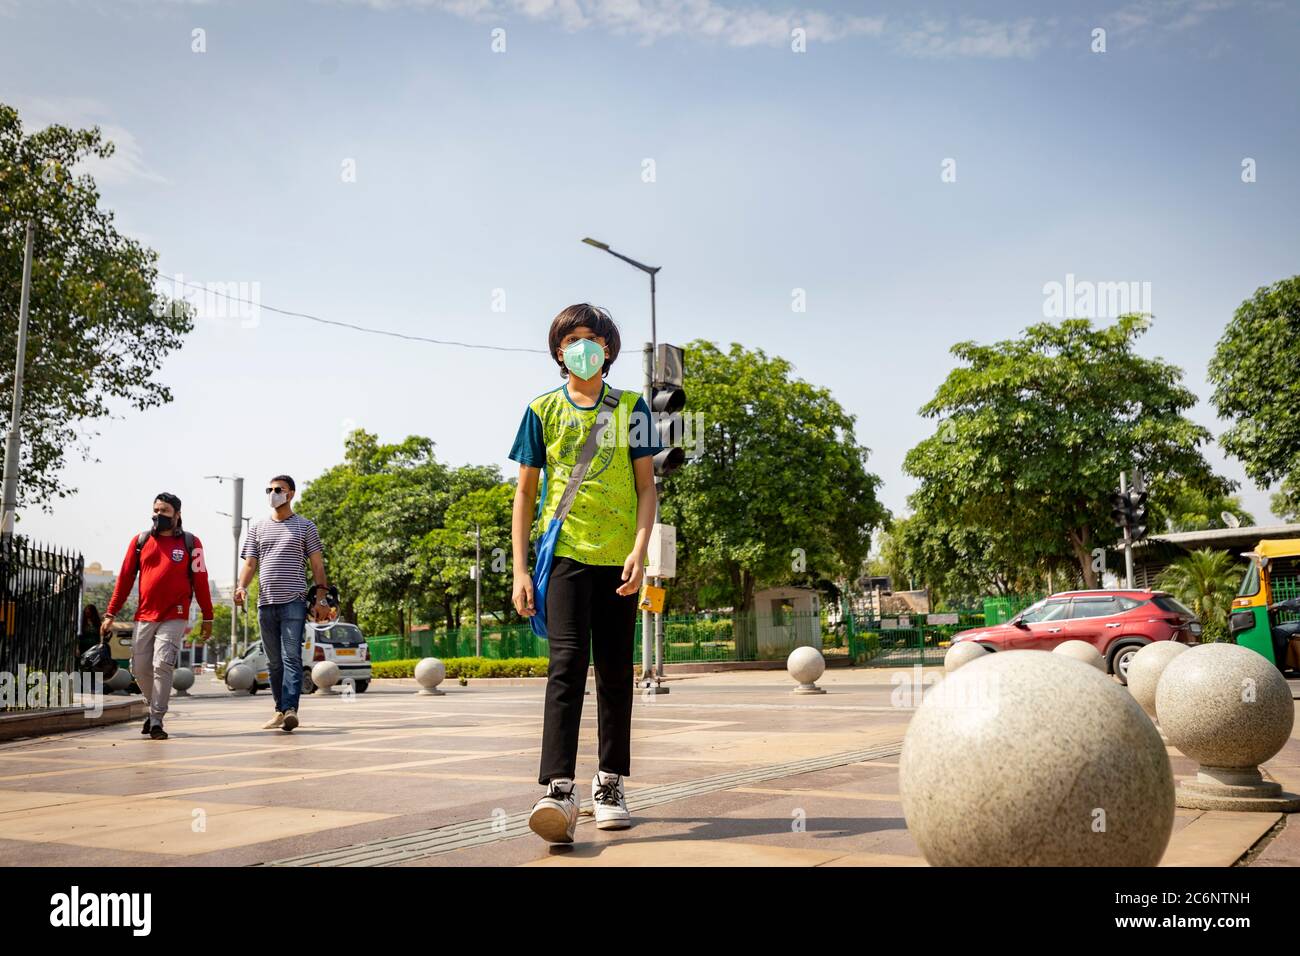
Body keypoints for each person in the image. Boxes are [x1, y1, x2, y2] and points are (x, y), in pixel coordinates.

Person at [510, 303, 660, 843]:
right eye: (573, 338)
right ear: (558, 349)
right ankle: (557, 788)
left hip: (619, 557)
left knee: (617, 671)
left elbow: (647, 487)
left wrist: (641, 550)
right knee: (566, 666)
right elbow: (525, 493)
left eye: (594, 338)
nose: (584, 345)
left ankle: (609, 783)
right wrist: (520, 570)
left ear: (610, 349)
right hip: (567, 554)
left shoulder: (633, 409)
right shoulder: (540, 410)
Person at [102, 493, 213, 740]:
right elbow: (125, 579)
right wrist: (111, 612)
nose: (158, 515)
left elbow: (201, 580)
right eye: (156, 510)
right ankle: (153, 709)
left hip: (176, 615)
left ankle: (156, 720)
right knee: (139, 668)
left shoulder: (191, 543)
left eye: (164, 511)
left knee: (162, 664)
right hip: (144, 615)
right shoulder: (140, 541)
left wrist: (208, 616)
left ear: (177, 515)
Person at [235, 474, 329, 733]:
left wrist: (321, 598)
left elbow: (317, 565)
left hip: (294, 602)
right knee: (273, 662)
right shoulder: (257, 527)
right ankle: (279, 709)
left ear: (291, 494)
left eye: (279, 489)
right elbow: (250, 563)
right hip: (265, 604)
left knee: (291, 658)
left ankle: (291, 709)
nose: (273, 493)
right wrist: (241, 587)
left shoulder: (305, 526)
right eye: (269, 489)